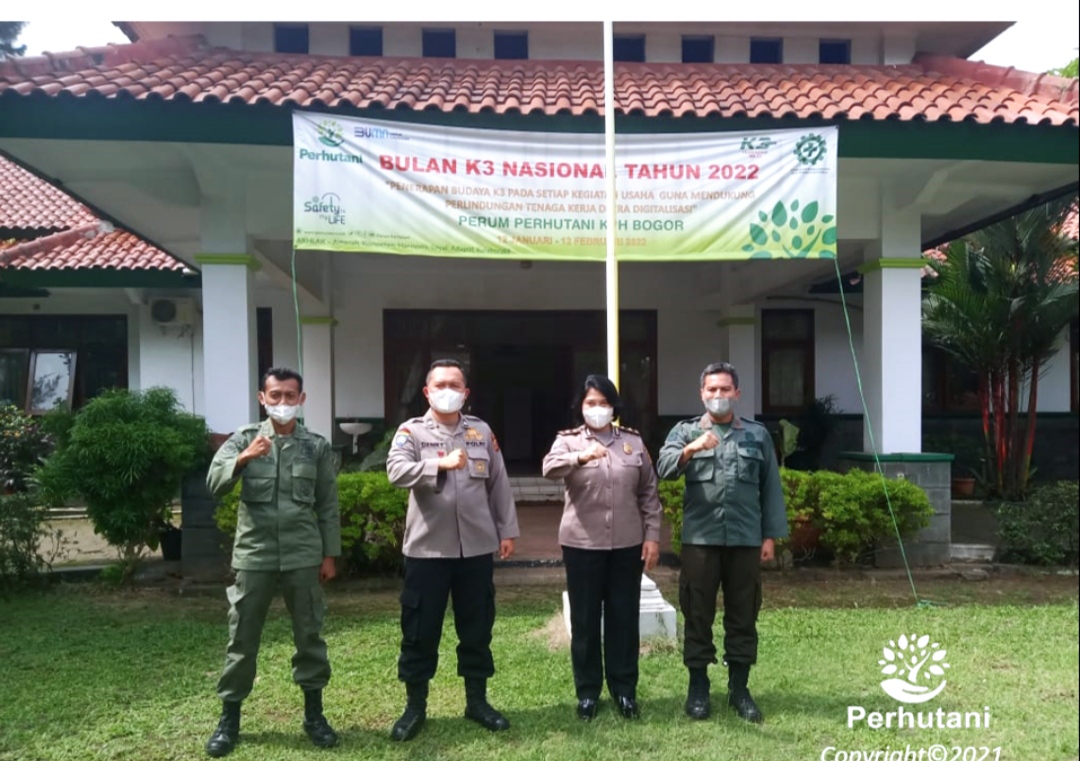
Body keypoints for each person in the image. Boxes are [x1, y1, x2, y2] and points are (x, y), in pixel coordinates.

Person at [203, 367, 341, 757]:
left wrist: (329, 554)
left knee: (309, 636)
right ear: (262, 398)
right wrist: (245, 458)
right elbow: (214, 484)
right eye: (275, 395)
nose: (283, 402)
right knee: (242, 639)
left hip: (302, 555)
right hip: (255, 555)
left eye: (290, 395)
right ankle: (229, 720)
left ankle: (314, 716)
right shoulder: (244, 438)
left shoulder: (315, 446)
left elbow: (328, 504)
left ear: (302, 399)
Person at [385, 359, 520, 742]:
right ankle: (415, 707)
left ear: (466, 392)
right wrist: (438, 464)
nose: (448, 389)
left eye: (455, 384)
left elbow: (499, 483)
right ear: (427, 391)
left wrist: (506, 530)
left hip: (475, 549)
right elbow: (395, 471)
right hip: (427, 550)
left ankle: (477, 702)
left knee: (477, 628)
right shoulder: (411, 432)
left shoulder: (480, 431)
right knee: (419, 631)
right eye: (440, 383)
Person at [656, 361, 787, 725]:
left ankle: (739, 688)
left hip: (745, 539)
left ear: (737, 394)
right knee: (698, 612)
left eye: (725, 390)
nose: (718, 396)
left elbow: (770, 489)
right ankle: (698, 687)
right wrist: (692, 448)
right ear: (702, 394)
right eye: (712, 390)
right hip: (701, 540)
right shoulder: (686, 431)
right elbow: (663, 469)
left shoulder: (756, 435)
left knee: (743, 613)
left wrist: (770, 536)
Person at [541, 374, 662, 722]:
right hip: (582, 544)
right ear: (581, 407)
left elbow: (648, 494)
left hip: (627, 545)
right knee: (586, 619)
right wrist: (580, 457)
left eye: (603, 403)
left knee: (624, 619)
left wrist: (652, 536)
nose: (597, 409)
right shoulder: (567, 441)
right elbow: (549, 468)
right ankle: (588, 693)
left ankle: (624, 690)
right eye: (590, 403)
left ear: (614, 406)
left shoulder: (633, 443)